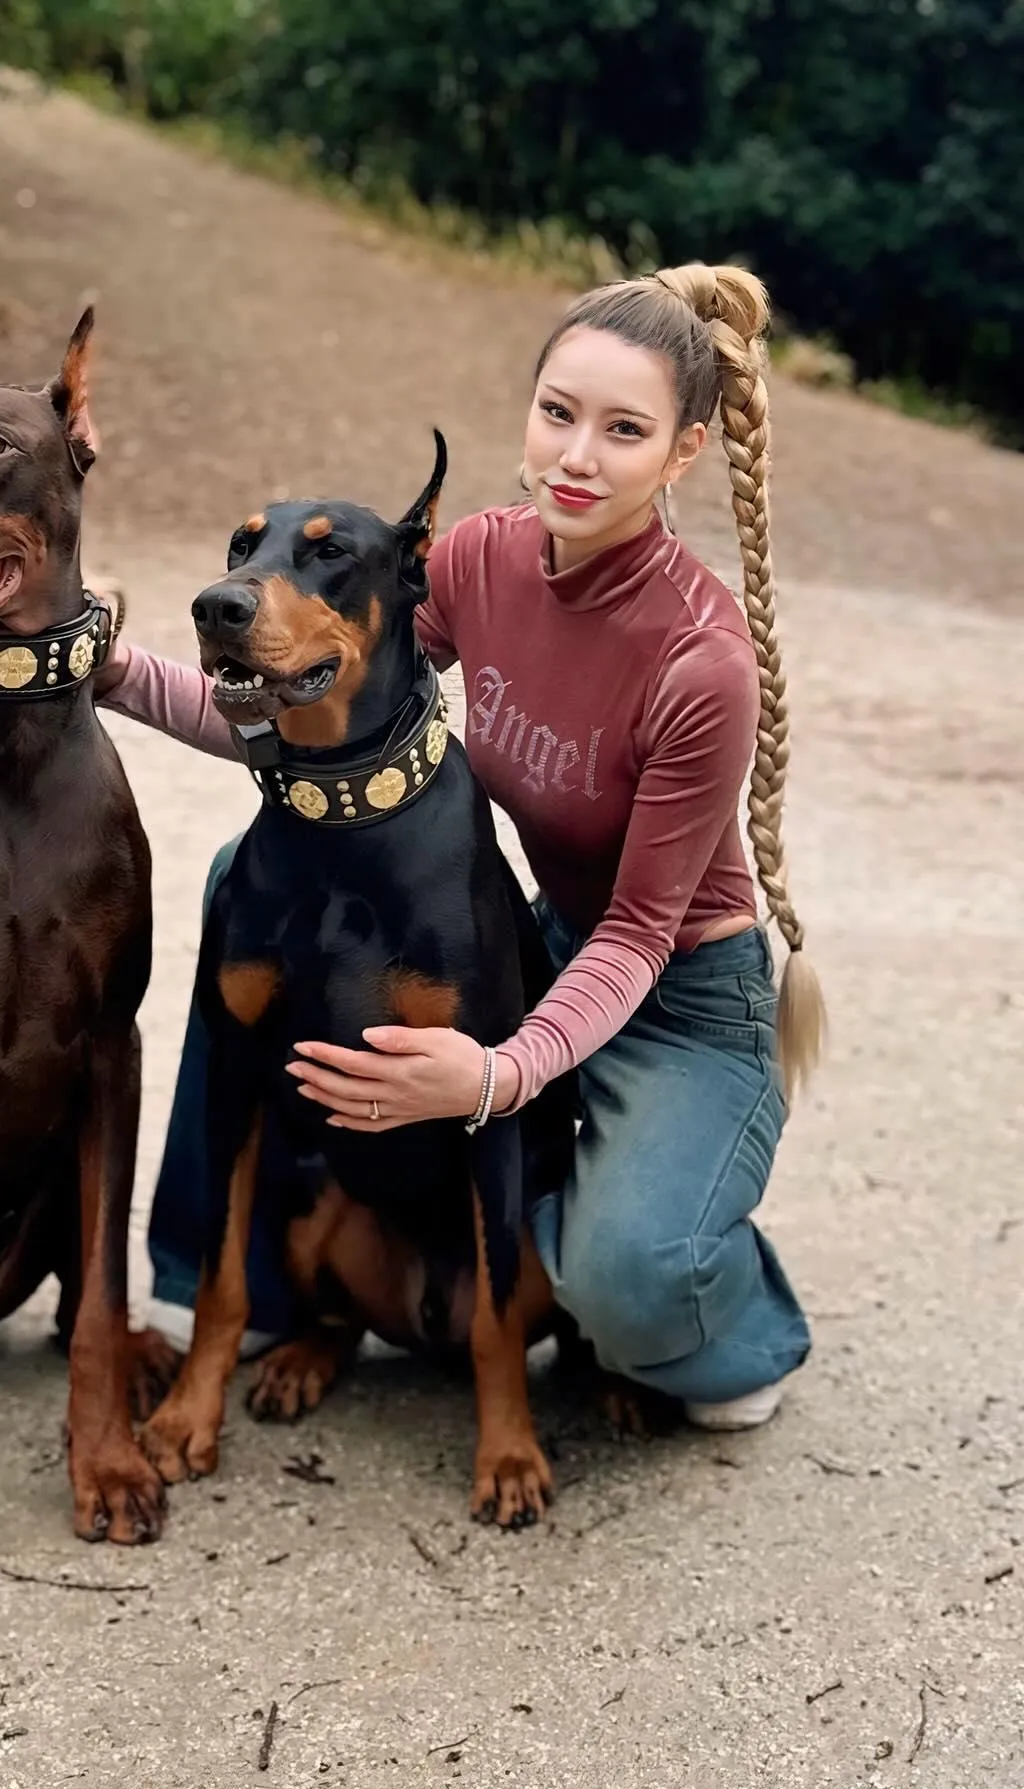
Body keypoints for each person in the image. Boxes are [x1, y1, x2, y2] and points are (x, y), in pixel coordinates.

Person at [97, 262, 825, 1430]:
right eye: (558, 414)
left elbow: (640, 929)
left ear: (683, 452)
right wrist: (111, 670)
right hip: (544, 941)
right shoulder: (483, 557)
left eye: (624, 429)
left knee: (626, 1277)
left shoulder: (702, 662)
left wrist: (498, 1076)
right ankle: (209, 1280)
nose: (578, 456)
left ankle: (727, 1312)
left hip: (679, 986)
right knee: (248, 879)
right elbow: (322, 715)